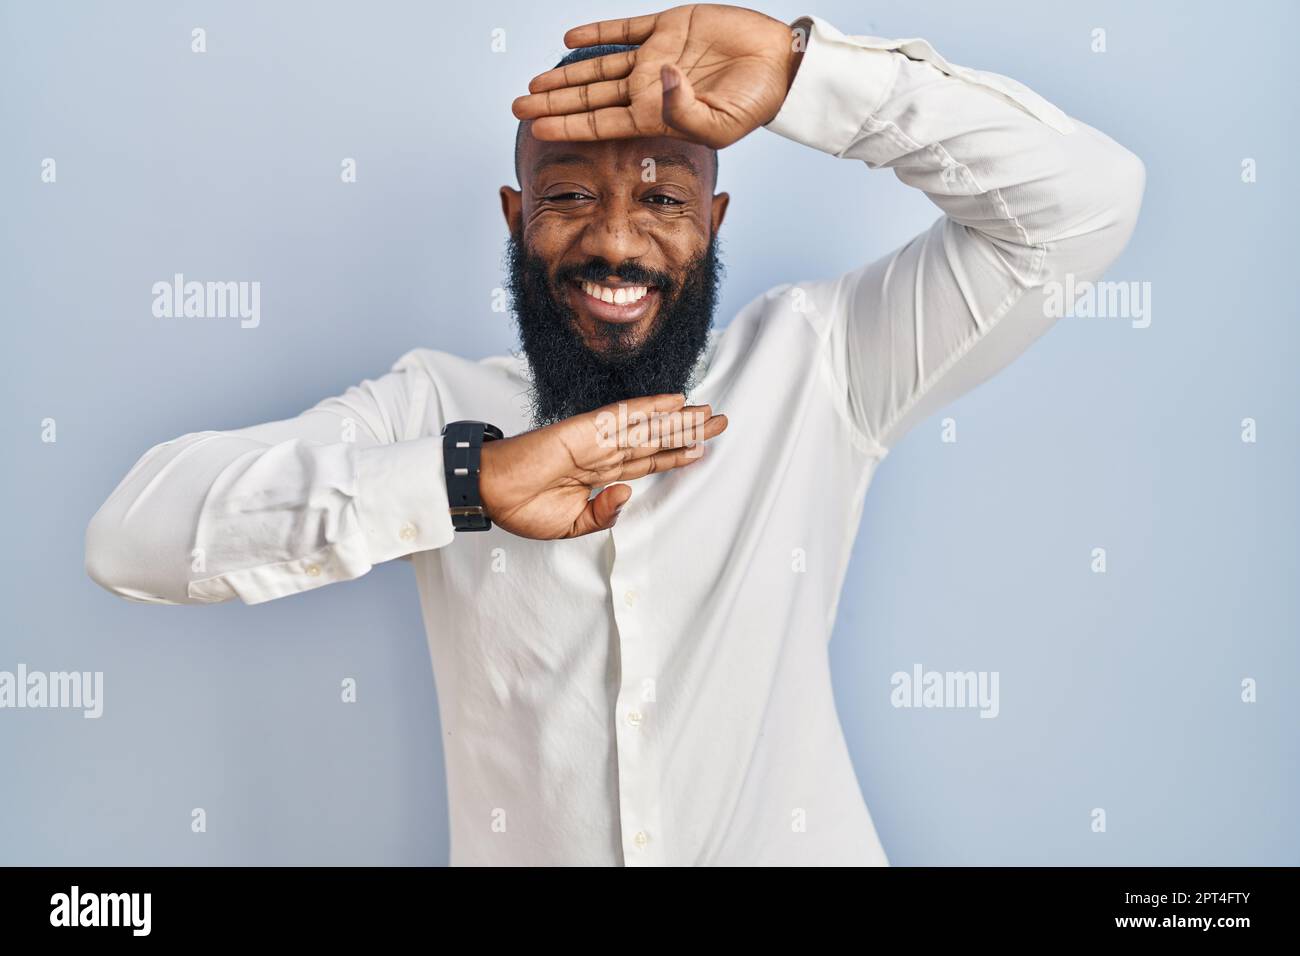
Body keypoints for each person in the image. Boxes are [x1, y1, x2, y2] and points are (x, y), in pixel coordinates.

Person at [85, 4, 1145, 865]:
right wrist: (466, 480)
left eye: (662, 197)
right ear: (514, 215)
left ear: (715, 223)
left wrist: (803, 73)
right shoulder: (431, 407)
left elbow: (1086, 203)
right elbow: (131, 536)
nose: (615, 240)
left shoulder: (821, 366)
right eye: (570, 196)